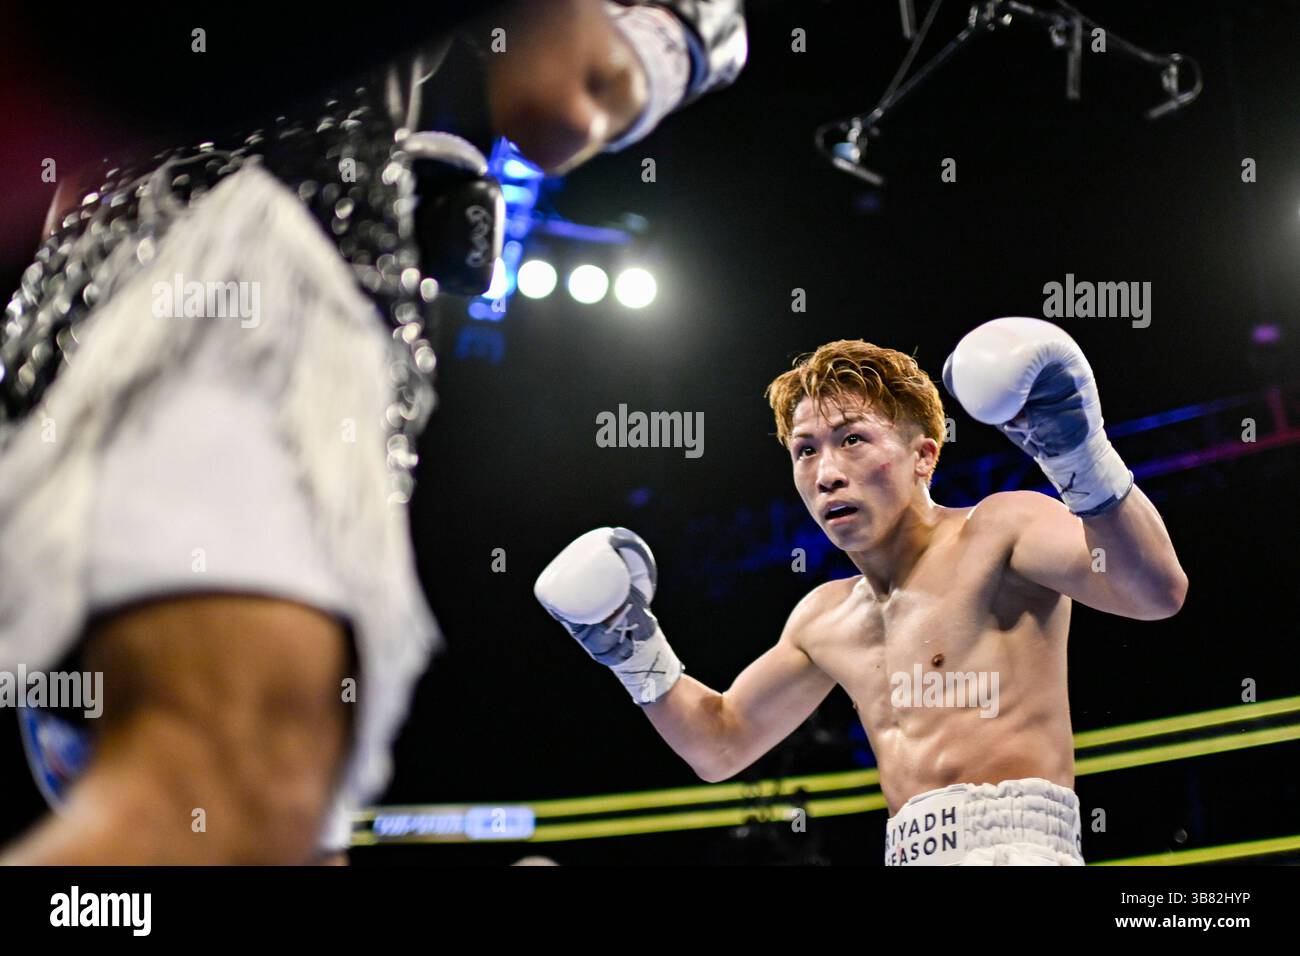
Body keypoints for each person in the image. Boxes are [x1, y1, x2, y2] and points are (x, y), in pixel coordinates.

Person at [0, 0, 747, 865]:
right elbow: (559, 96)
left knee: (255, 816)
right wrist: (683, 39)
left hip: (76, 295)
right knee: (225, 792)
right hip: (259, 266)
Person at [534, 317, 1188, 865]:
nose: (827, 473)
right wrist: (625, 643)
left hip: (1018, 845)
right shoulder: (823, 618)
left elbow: (1154, 590)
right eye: (806, 450)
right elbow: (719, 744)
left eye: (852, 439)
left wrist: (1078, 455)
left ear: (923, 456)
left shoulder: (1001, 529)